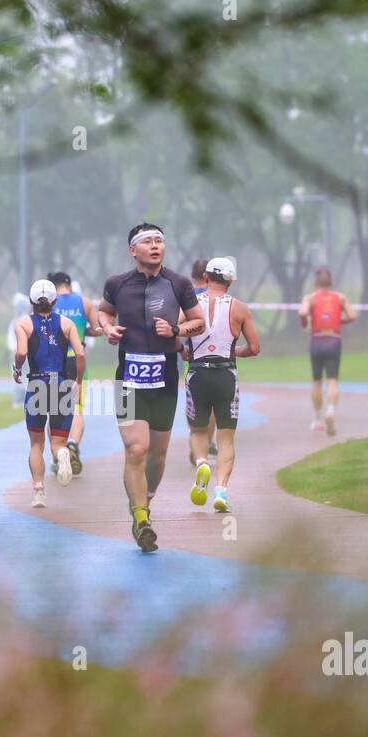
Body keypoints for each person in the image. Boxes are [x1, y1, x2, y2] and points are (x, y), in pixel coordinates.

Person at [96, 222, 206, 552]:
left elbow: (199, 322)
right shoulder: (116, 284)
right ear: (133, 250)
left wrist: (176, 329)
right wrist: (107, 329)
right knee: (137, 449)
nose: (155, 245)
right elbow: (103, 313)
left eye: (160, 240)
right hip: (128, 379)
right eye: (148, 241)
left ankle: (147, 498)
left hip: (164, 380)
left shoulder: (179, 283)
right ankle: (141, 518)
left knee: (157, 454)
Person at [181, 257, 261, 513]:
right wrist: (234, 352)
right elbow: (255, 348)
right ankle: (221, 491)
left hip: (197, 374)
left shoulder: (189, 304)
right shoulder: (240, 309)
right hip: (226, 374)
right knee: (226, 437)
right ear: (230, 281)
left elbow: (175, 333)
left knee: (198, 431)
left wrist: (184, 350)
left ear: (205, 278)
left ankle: (202, 462)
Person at [14, 279, 86, 507]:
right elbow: (81, 354)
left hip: (37, 383)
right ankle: (62, 454)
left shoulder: (23, 324)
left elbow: (22, 352)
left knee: (36, 443)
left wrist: (17, 369)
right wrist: (78, 381)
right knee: (57, 442)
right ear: (54, 301)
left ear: (32, 301)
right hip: (62, 383)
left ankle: (38, 491)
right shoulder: (66, 323)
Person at [49, 271, 103, 477]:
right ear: (69, 286)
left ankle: (57, 455)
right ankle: (72, 444)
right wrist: (83, 331)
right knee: (77, 408)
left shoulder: (48, 302)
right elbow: (99, 329)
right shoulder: (84, 302)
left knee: (54, 412)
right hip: (76, 360)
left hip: (53, 361)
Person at [297, 267, 356, 435]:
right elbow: (353, 316)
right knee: (332, 379)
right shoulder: (340, 298)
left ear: (316, 283)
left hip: (316, 340)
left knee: (316, 380)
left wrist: (304, 318)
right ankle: (330, 410)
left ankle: (318, 418)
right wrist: (340, 322)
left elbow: (302, 312)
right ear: (331, 282)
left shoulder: (311, 298)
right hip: (334, 340)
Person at [180, 258, 218, 467]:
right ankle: (207, 442)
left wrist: (180, 347)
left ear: (193, 275)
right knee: (212, 405)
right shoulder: (219, 297)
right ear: (208, 275)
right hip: (217, 357)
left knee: (194, 403)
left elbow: (177, 326)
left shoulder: (186, 298)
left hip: (192, 357)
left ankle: (195, 443)